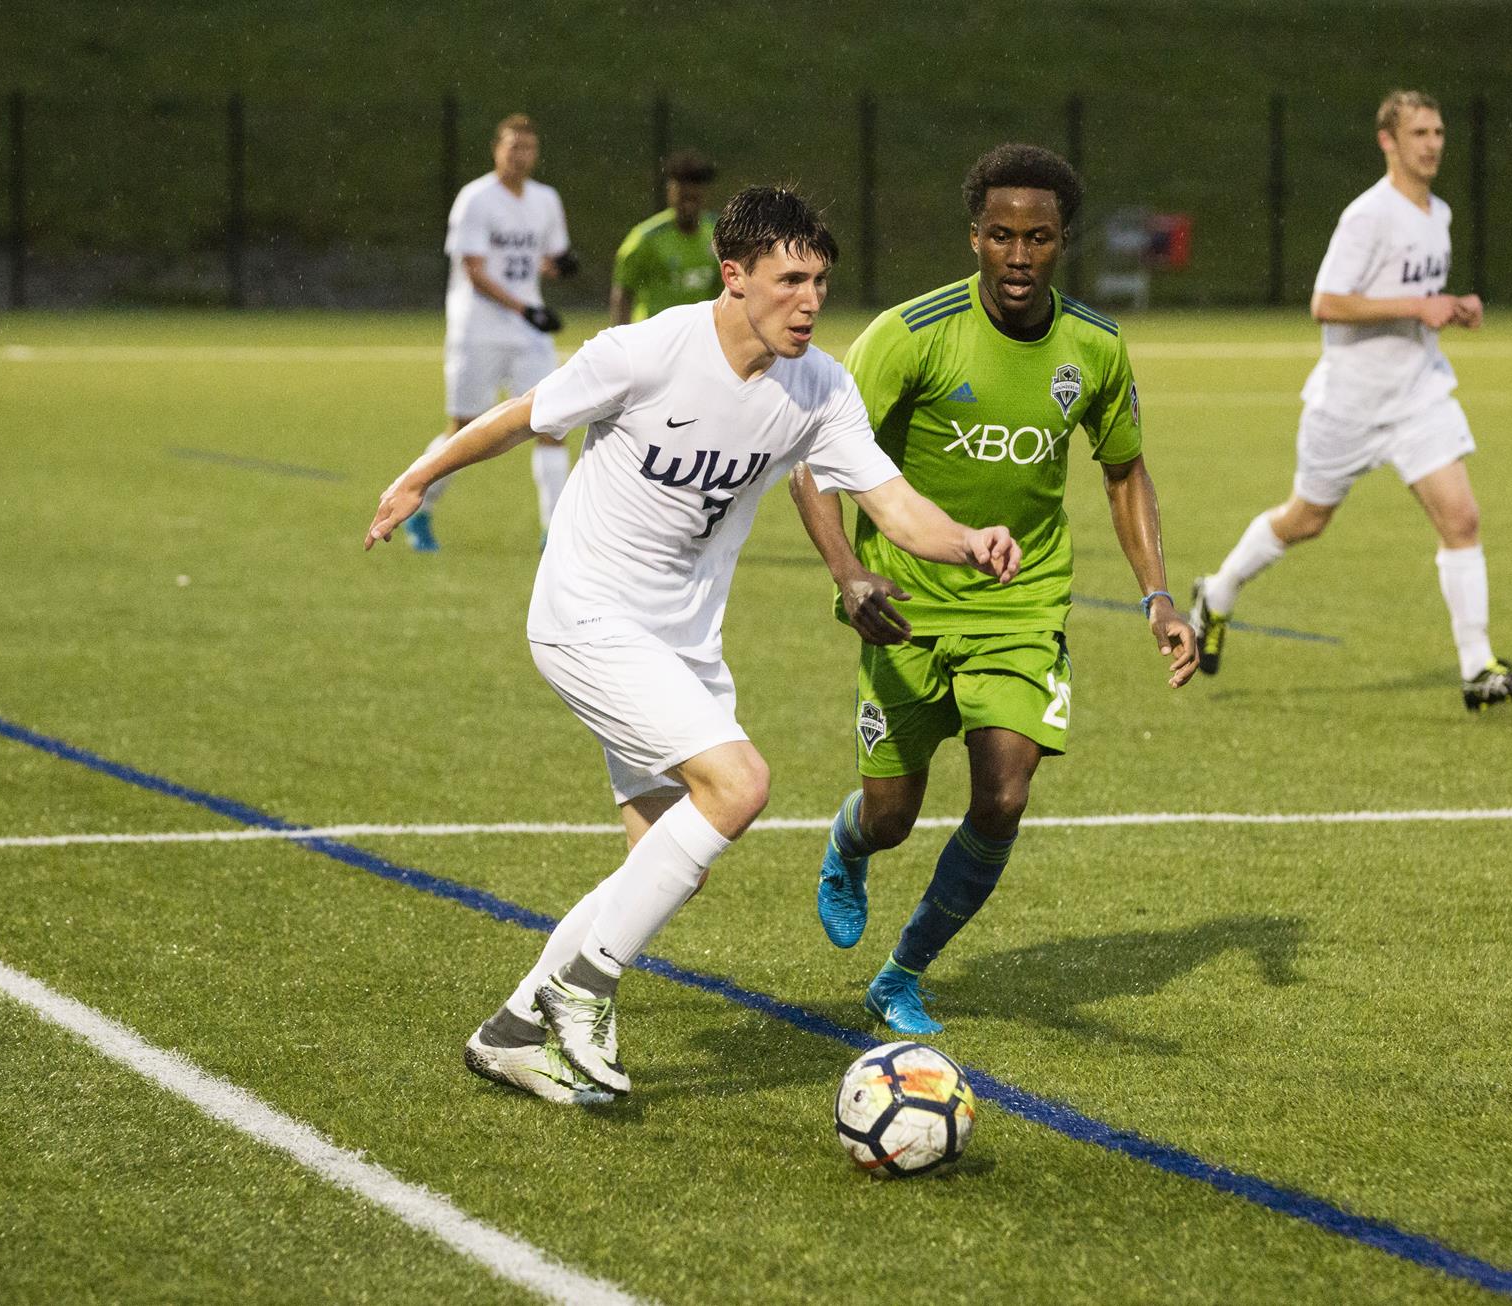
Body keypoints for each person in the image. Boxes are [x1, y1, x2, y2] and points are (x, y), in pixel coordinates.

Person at [364, 187, 1022, 1105]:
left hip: (682, 647)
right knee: (741, 783)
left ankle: (514, 1030)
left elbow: (893, 504)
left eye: (821, 281)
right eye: (790, 279)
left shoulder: (819, 386)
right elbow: (525, 413)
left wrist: (969, 539)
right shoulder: (649, 351)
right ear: (734, 276)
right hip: (586, 616)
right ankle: (579, 992)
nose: (810, 300)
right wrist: (420, 477)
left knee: (666, 862)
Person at [791, 143, 1197, 1037]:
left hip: (1021, 604)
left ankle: (903, 974)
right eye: (1002, 236)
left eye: (1039, 238)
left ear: (1062, 243)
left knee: (1003, 794)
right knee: (893, 814)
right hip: (901, 605)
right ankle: (849, 843)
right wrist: (849, 573)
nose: (1019, 256)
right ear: (973, 237)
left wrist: (1158, 597)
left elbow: (1125, 474)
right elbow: (813, 466)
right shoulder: (909, 335)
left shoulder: (1093, 345)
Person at [1189, 90, 1512, 712]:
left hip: (1417, 397)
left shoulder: (1440, 215)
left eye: (1438, 132)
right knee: (1306, 520)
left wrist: (1452, 309)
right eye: (1420, 133)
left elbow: (1417, 300)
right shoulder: (1367, 216)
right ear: (1388, 141)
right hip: (1350, 404)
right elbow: (1327, 303)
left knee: (1461, 520)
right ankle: (1216, 594)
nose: (1433, 144)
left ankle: (1477, 668)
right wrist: (1419, 306)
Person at [404, 113, 578, 552]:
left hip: (528, 334)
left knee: (551, 424)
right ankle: (418, 508)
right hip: (478, 329)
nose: (520, 156)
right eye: (512, 147)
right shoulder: (475, 199)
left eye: (528, 148)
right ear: (496, 149)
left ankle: (553, 532)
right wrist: (526, 309)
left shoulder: (545, 199)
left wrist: (560, 267)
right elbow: (475, 272)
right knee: (464, 428)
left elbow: (545, 258)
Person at [609, 150, 721, 325]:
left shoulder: (719, 234)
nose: (688, 204)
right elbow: (623, 293)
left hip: (699, 335)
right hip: (655, 337)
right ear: (670, 192)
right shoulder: (646, 238)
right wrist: (622, 341)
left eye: (693, 197)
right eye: (683, 198)